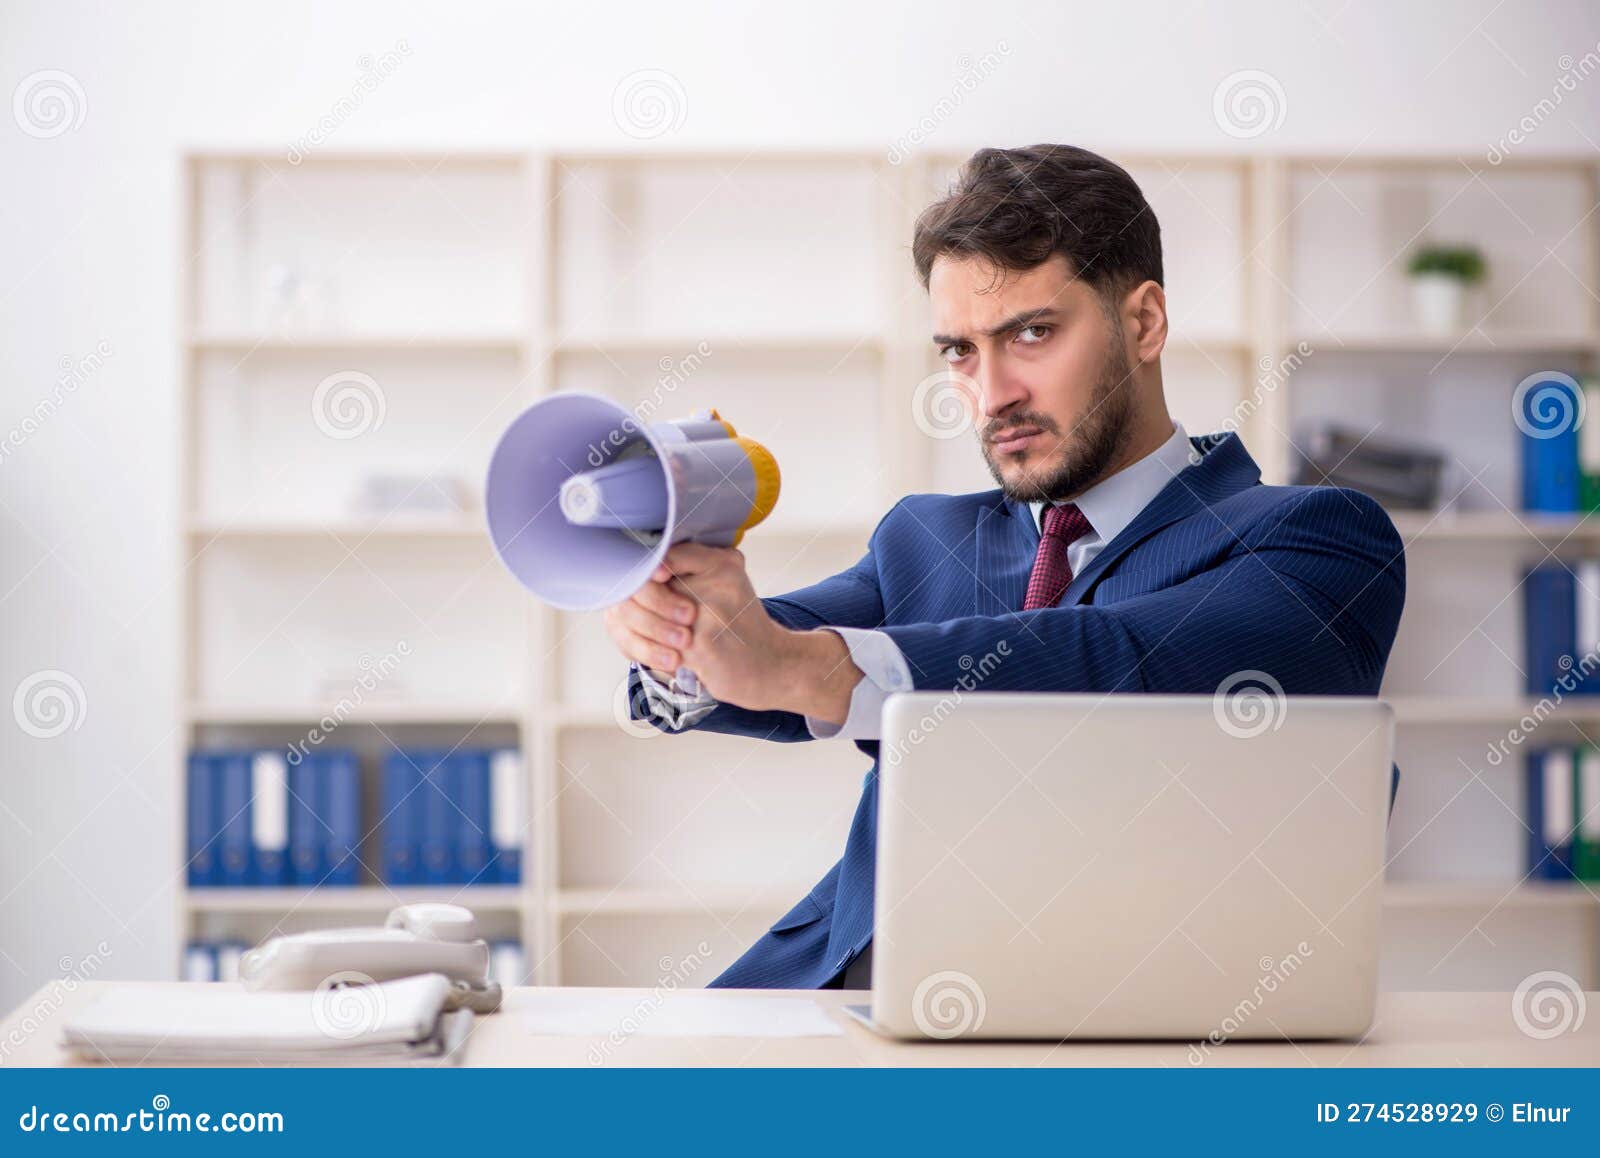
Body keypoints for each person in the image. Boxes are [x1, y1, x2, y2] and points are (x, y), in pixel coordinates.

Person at [604, 143, 1406, 990]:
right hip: (844, 997)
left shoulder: (1315, 541)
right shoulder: (923, 537)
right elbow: (770, 644)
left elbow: (1119, 661)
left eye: (1031, 334)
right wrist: (685, 627)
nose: (991, 396)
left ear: (1143, 323)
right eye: (959, 352)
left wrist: (805, 668)